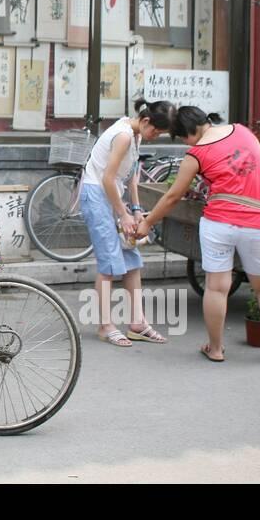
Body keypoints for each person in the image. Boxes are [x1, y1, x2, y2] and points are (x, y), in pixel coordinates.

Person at [134, 107, 260, 365]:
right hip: (257, 221)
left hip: (219, 223)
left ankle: (216, 349)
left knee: (217, 288)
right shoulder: (243, 131)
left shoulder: (196, 154)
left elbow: (173, 196)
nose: (186, 143)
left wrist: (148, 222)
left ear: (188, 132)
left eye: (183, 138)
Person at [81, 98, 175, 348]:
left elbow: (131, 174)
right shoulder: (123, 135)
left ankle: (137, 322)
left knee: (131, 258)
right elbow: (108, 179)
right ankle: (105, 326)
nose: (156, 136)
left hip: (112, 195)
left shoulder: (135, 134)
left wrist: (135, 210)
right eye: (156, 130)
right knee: (110, 262)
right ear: (145, 121)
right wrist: (123, 214)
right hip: (97, 194)